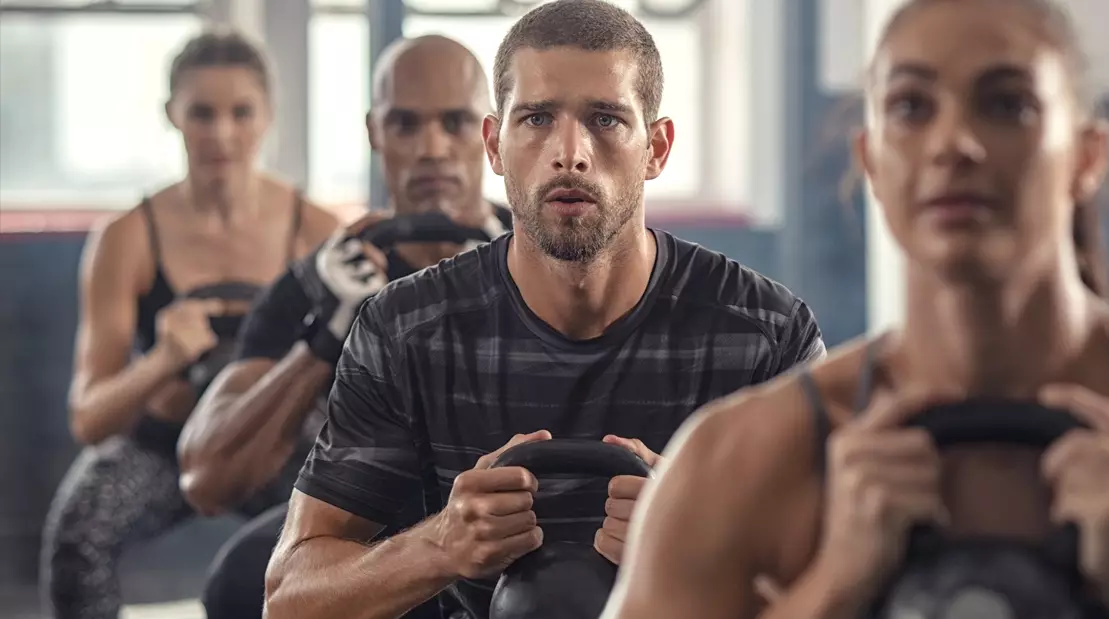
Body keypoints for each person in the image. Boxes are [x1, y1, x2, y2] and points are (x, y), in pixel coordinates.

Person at [262, 1, 827, 618]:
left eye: (606, 120)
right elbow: (289, 598)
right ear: (494, 145)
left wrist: (704, 542)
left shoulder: (765, 334)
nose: (570, 153)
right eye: (535, 119)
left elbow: (850, 581)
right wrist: (440, 545)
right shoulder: (405, 329)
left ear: (657, 148)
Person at [601, 0, 1109, 617]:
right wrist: (834, 583)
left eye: (1007, 105)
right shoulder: (739, 458)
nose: (954, 144)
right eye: (911, 107)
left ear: (1087, 156)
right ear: (871, 160)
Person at [176, 35, 511, 619]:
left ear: (491, 132)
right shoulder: (319, 283)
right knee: (239, 581)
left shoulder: (546, 253)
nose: (431, 148)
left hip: (515, 518)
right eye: (405, 125)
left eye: (453, 122)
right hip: (372, 528)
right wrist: (326, 335)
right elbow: (206, 477)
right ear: (375, 133)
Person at [39, 30, 339, 619]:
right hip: (165, 445)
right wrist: (163, 359)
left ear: (267, 117)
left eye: (240, 112)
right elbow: (89, 417)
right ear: (172, 114)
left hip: (273, 439)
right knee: (78, 537)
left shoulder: (314, 230)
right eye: (202, 113)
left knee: (357, 522)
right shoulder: (126, 238)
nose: (221, 134)